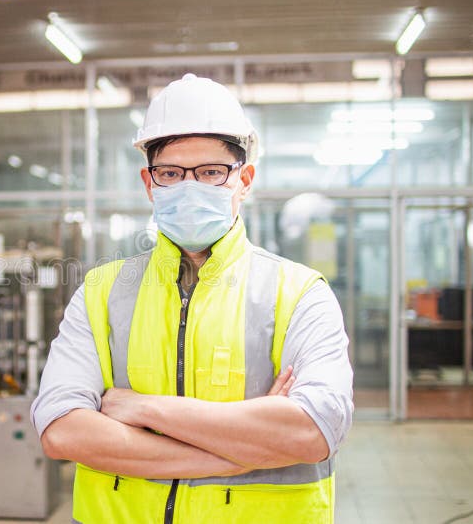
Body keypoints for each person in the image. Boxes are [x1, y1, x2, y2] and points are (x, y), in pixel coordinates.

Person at [30, 73, 353, 523]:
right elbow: (62, 431)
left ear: (244, 179)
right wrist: (240, 453)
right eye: (171, 173)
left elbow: (314, 430)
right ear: (149, 182)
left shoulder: (299, 294)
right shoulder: (101, 292)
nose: (189, 187)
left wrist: (141, 407)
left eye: (210, 172)